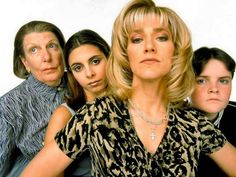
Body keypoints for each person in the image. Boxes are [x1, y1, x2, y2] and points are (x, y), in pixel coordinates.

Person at [20, 0, 236, 176]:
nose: (149, 46)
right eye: (137, 39)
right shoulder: (96, 115)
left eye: (161, 37)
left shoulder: (193, 122)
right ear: (125, 52)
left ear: (176, 51)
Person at [0, 20, 67, 177]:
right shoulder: (8, 106)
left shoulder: (86, 81)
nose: (46, 57)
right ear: (25, 62)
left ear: (63, 52)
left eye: (52, 46)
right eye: (34, 50)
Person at [44, 29, 110, 177]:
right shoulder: (65, 115)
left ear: (109, 57)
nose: (89, 73)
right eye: (78, 68)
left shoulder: (132, 102)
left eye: (95, 61)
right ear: (72, 73)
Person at [190, 47, 236, 177]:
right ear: (186, 83)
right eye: (201, 81)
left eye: (223, 81)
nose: (214, 89)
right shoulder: (169, 120)